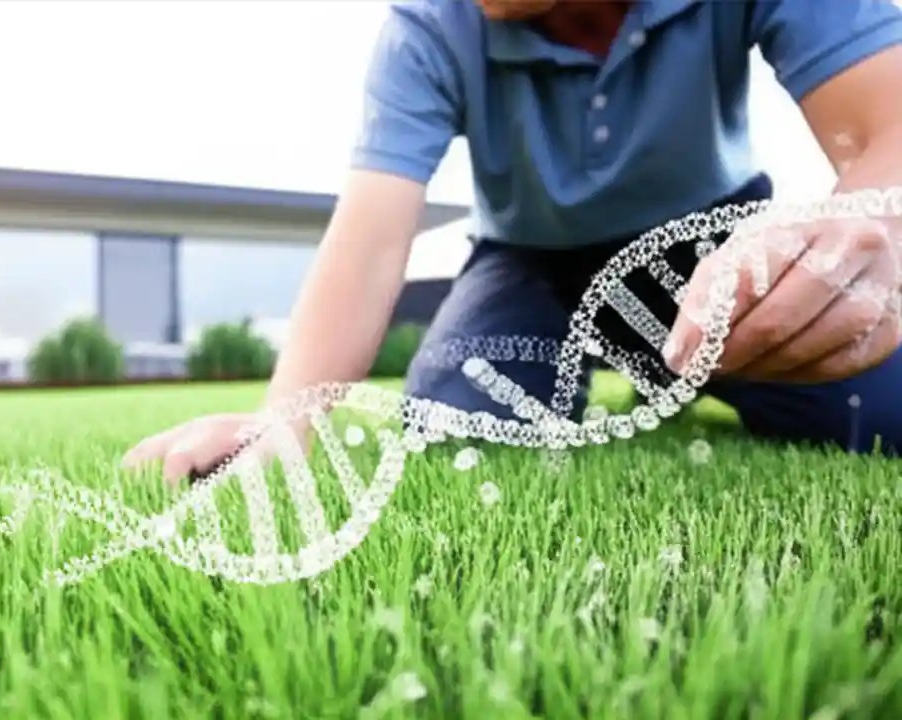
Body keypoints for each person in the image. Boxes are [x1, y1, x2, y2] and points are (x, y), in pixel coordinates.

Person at [124, 0, 902, 482]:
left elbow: (888, 129)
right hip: (528, 262)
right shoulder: (426, 26)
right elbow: (367, 242)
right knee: (462, 434)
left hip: (701, 252)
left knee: (883, 411)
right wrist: (284, 421)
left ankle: (671, 376)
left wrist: (873, 221)